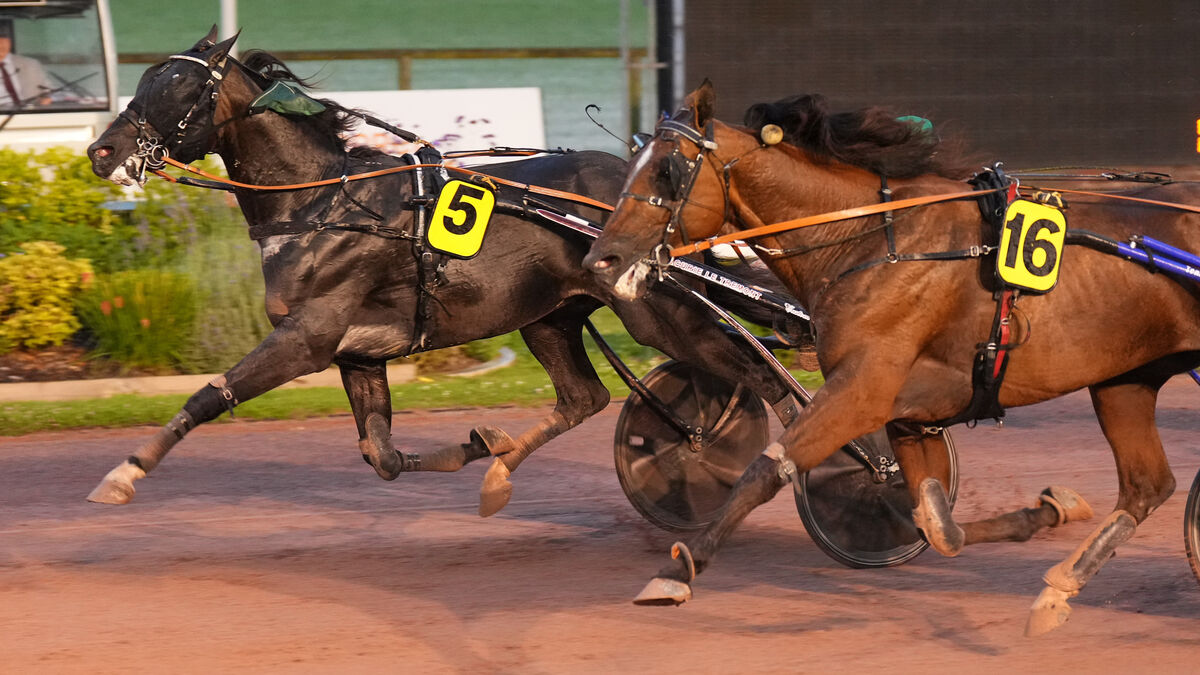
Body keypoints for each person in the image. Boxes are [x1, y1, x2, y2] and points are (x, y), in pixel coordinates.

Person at [0, 18, 53, 109]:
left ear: (10, 41)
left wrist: (46, 98)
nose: (1, 44)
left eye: (4, 39)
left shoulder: (30, 64)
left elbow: (49, 91)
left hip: (29, 114)